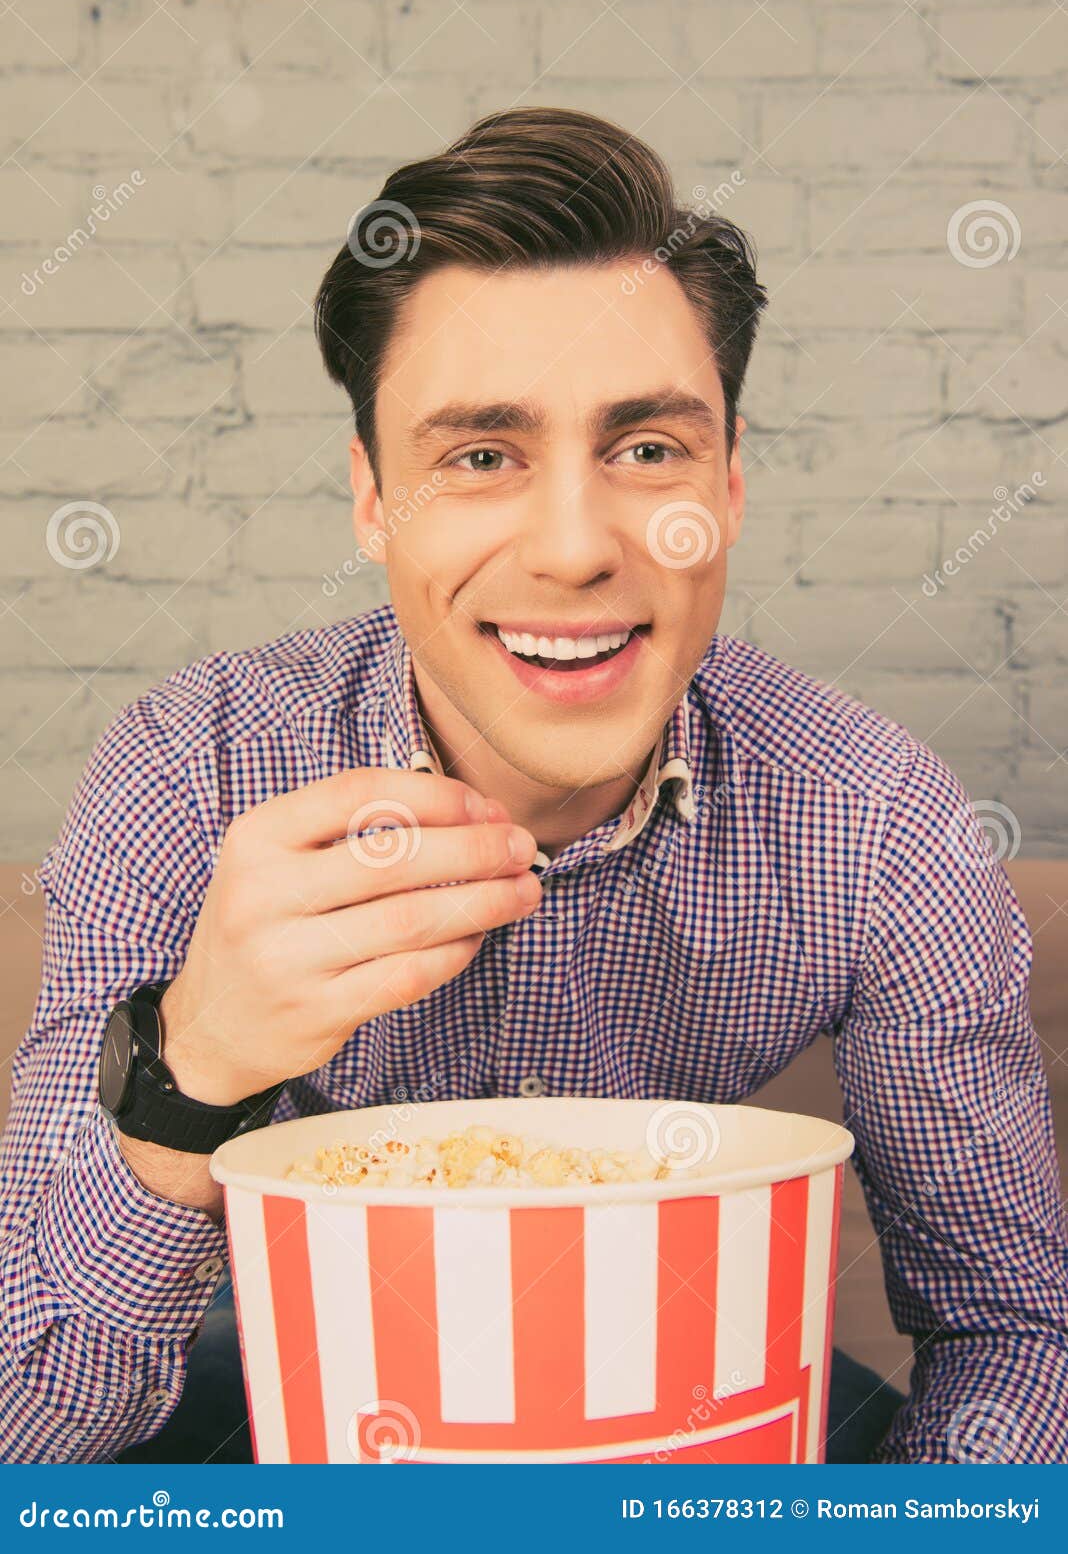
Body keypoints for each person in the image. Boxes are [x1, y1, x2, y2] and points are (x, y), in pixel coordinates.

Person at [2, 107, 1065, 1465]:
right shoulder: (190, 772)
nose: (573, 549)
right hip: (297, 1383)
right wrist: (190, 1070)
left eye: (647, 449)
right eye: (482, 456)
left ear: (730, 485)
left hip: (695, 1382)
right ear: (375, 497)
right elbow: (18, 1426)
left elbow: (1015, 1333)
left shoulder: (875, 817)